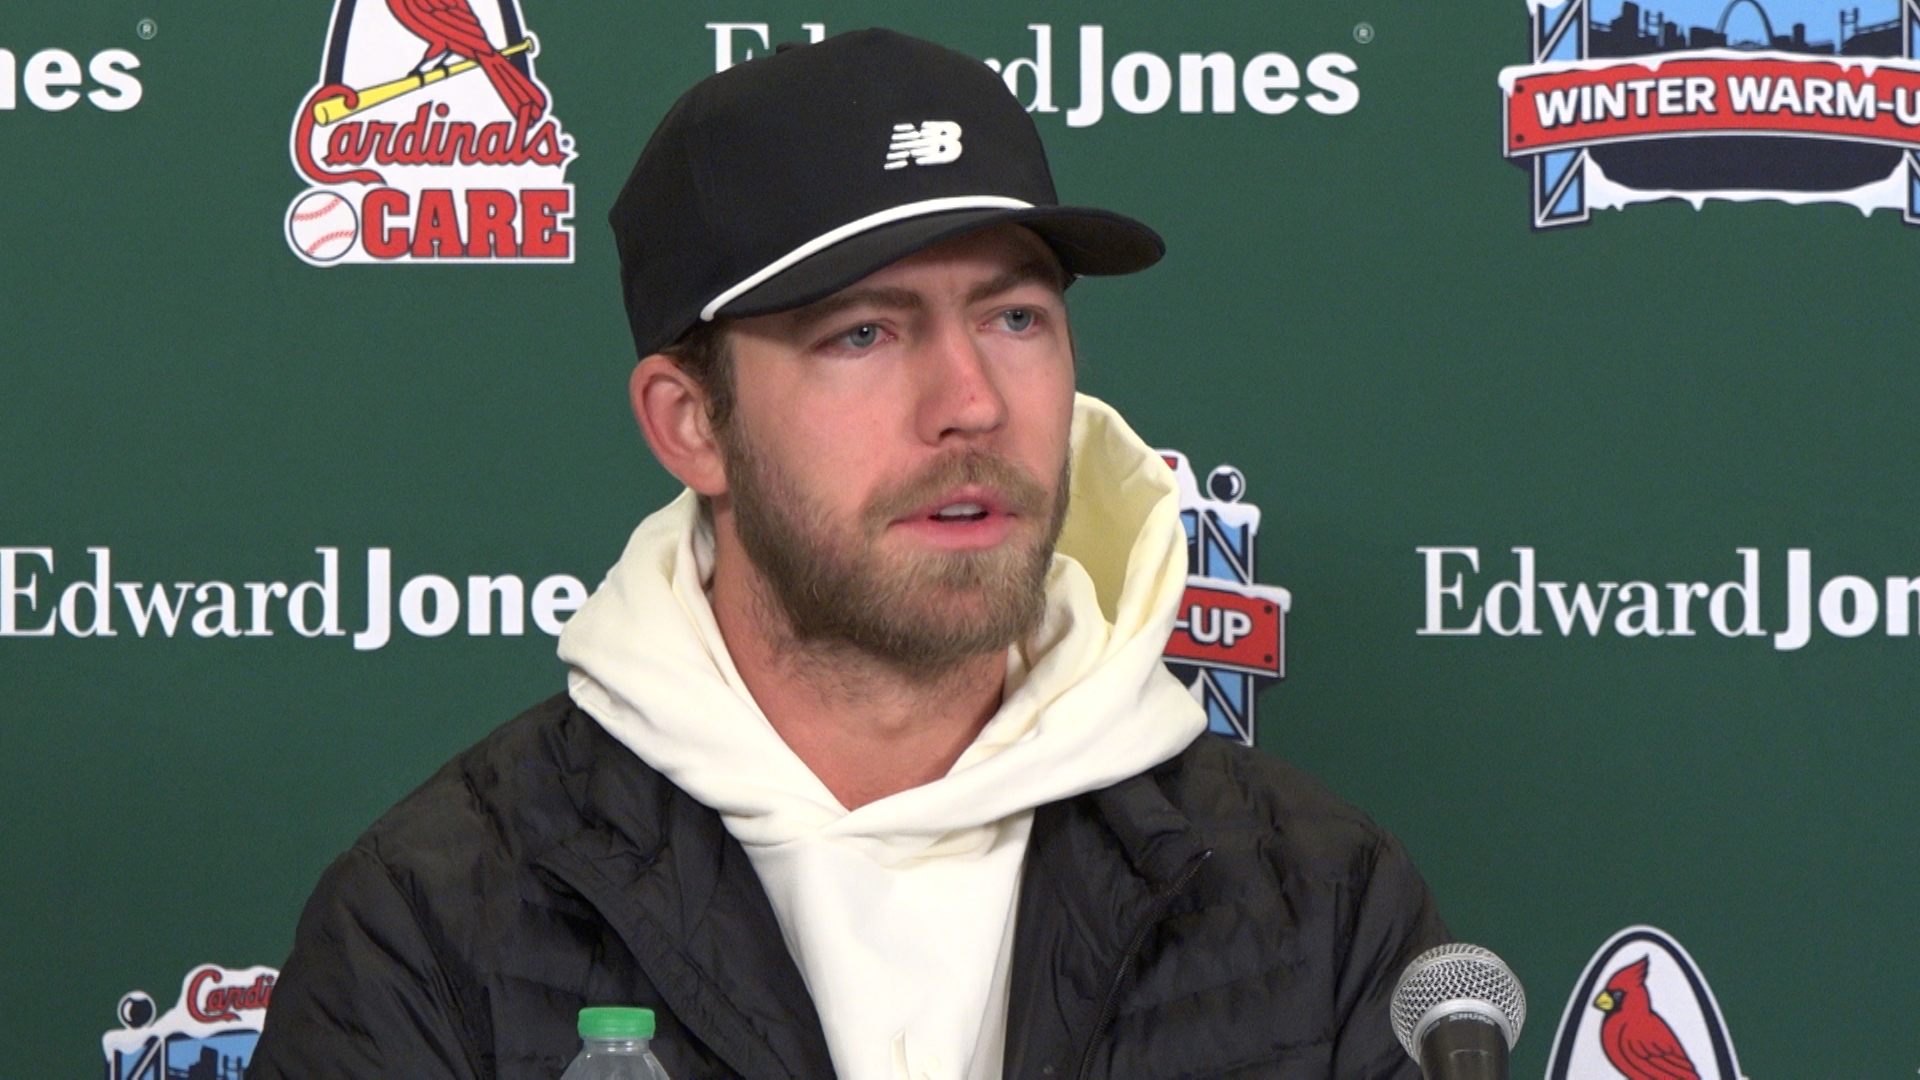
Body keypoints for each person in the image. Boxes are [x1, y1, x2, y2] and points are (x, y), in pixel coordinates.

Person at [249, 28, 1446, 1080]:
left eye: (1014, 316)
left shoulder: (1324, 908)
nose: (970, 402)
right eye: (864, 332)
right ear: (691, 423)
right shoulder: (428, 927)